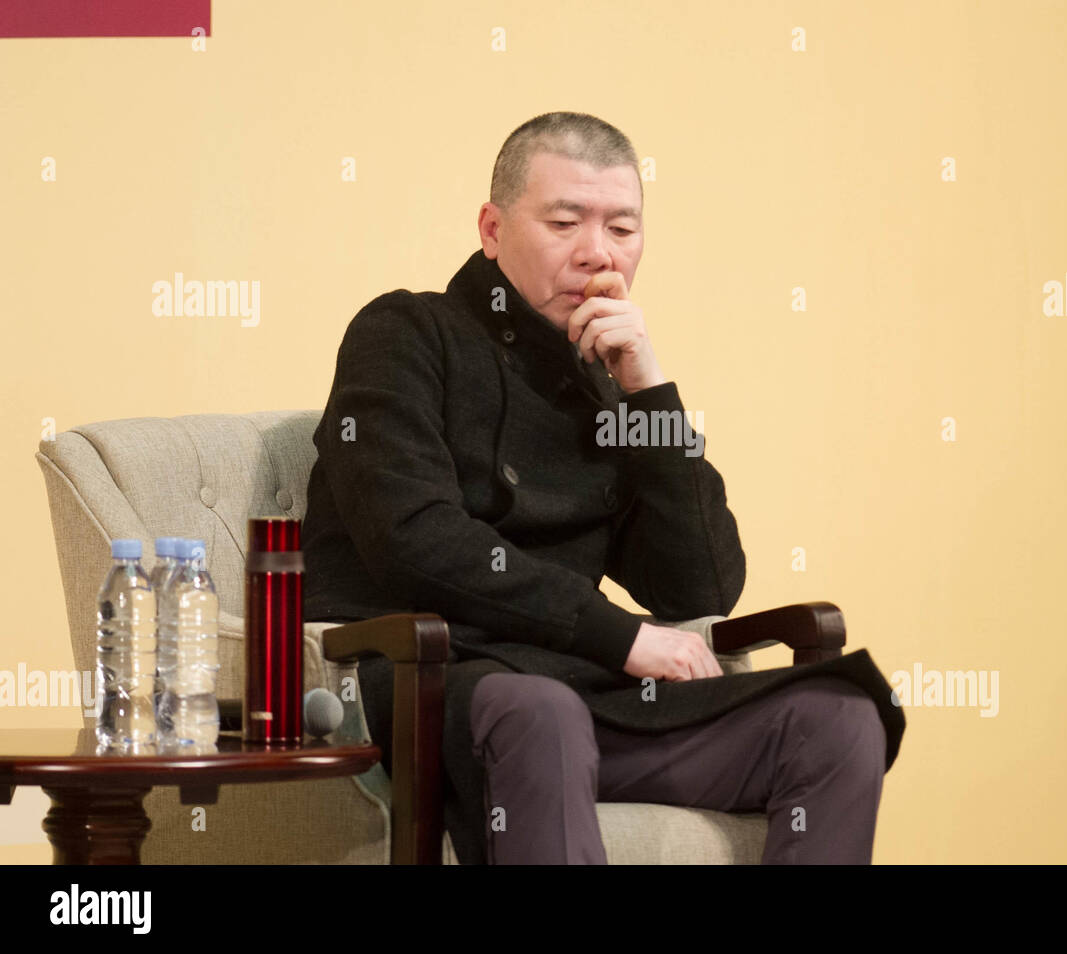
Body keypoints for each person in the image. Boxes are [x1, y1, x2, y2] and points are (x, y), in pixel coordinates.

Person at [302, 111, 905, 864]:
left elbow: (702, 586)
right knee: (540, 710)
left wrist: (650, 392)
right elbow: (413, 540)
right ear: (492, 228)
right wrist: (617, 637)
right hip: (439, 687)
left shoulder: (609, 388)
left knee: (841, 717)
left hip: (589, 696)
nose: (597, 254)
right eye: (564, 222)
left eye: (622, 229)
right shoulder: (404, 333)